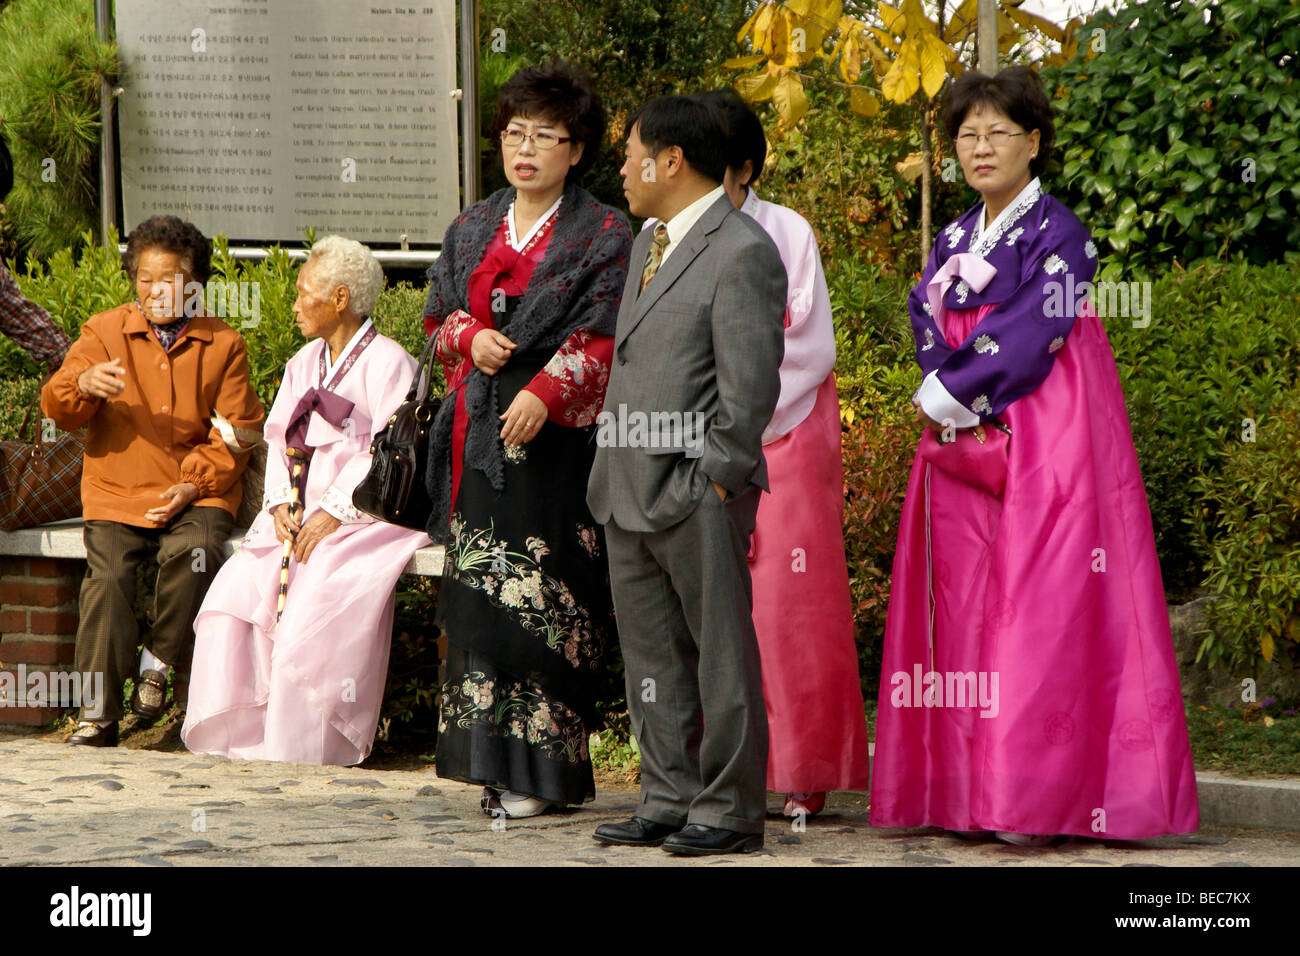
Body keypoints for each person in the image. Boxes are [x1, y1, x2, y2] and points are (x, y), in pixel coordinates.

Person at [869, 67, 1199, 843]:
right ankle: (965, 795)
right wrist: (939, 381)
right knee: (963, 606)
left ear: (1034, 143)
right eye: (966, 135)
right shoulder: (953, 237)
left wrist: (952, 390)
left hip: (1047, 430)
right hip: (961, 434)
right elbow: (925, 308)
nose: (980, 148)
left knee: (1039, 604)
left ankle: (1035, 799)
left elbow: (1031, 332)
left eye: (997, 133)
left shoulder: (1062, 233)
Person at [422, 63, 632, 817]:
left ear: (576, 150)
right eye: (515, 132)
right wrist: (468, 335)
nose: (527, 148)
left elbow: (609, 333)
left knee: (550, 595)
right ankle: (490, 765)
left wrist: (548, 391)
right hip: (482, 439)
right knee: (485, 597)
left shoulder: (606, 231)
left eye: (546, 135)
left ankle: (545, 776)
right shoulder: (472, 225)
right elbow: (437, 313)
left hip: (557, 446)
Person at [587, 95, 787, 856]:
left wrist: (720, 479)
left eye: (631, 150)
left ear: (670, 160)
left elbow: (749, 384)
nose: (623, 167)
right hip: (624, 486)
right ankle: (665, 797)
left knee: (720, 653)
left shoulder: (743, 250)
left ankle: (730, 809)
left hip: (697, 491)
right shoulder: (647, 243)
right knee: (651, 658)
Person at [181, 236, 429, 766]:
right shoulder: (302, 362)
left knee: (315, 594)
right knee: (236, 590)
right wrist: (278, 506)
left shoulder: (390, 364)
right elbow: (277, 440)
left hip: (366, 515)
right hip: (298, 509)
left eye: (303, 294)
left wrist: (335, 509)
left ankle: (307, 743)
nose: (294, 306)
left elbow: (391, 454)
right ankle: (247, 729)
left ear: (340, 298)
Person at [699, 89, 870, 819]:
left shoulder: (786, 230)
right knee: (712, 601)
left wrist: (743, 422)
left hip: (787, 427)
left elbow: (806, 343)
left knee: (787, 601)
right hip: (702, 436)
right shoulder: (678, 235)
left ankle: (803, 769)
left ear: (742, 169)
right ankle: (726, 766)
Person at [41, 214, 264, 747]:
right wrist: (83, 384)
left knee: (198, 551)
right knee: (110, 577)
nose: (155, 290)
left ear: (193, 282)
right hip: (118, 489)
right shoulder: (105, 330)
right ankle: (97, 715)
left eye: (168, 279)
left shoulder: (223, 342)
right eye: (145, 278)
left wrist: (193, 483)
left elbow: (241, 432)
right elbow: (58, 405)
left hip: (196, 493)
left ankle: (157, 664)